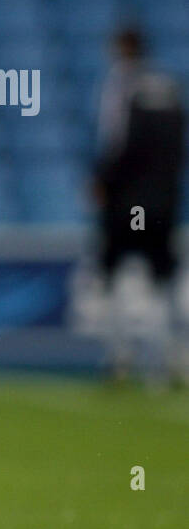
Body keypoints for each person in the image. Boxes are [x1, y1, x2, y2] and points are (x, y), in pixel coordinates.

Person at [94, 26, 185, 383]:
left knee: (117, 272)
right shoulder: (169, 89)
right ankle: (163, 360)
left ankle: (121, 356)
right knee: (161, 277)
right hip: (163, 201)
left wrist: (103, 182)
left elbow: (120, 145)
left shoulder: (122, 88)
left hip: (129, 203)